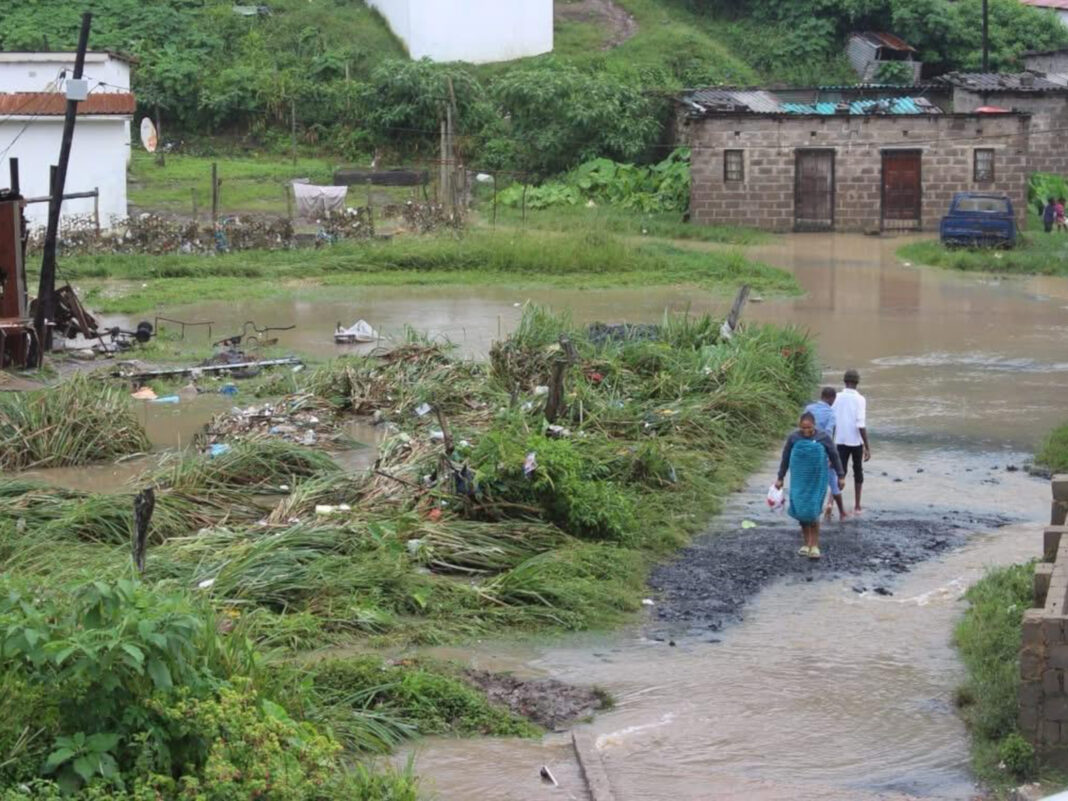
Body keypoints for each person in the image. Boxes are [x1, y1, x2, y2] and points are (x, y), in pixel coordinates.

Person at [775, 411, 845, 560]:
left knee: (813, 511)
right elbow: (785, 457)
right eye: (803, 428)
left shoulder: (823, 437)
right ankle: (806, 543)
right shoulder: (793, 437)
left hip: (816, 479)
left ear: (814, 425)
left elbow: (834, 456)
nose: (806, 431)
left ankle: (815, 545)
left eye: (809, 428)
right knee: (801, 510)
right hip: (799, 480)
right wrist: (780, 477)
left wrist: (841, 476)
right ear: (799, 426)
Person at [805, 386, 848, 521]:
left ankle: (808, 510)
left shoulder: (809, 409)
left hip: (807, 451)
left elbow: (802, 428)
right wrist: (830, 456)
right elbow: (828, 435)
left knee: (809, 481)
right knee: (834, 481)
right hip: (822, 451)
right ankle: (841, 511)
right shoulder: (831, 414)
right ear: (832, 399)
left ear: (821, 396)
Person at [832, 368, 870, 515]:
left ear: (844, 381)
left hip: (840, 440)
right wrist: (867, 447)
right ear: (857, 382)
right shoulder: (860, 399)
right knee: (858, 472)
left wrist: (830, 441)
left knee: (839, 472)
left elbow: (832, 421)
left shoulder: (837, 397)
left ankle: (830, 503)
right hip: (856, 442)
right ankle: (857, 506)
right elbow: (860, 425)